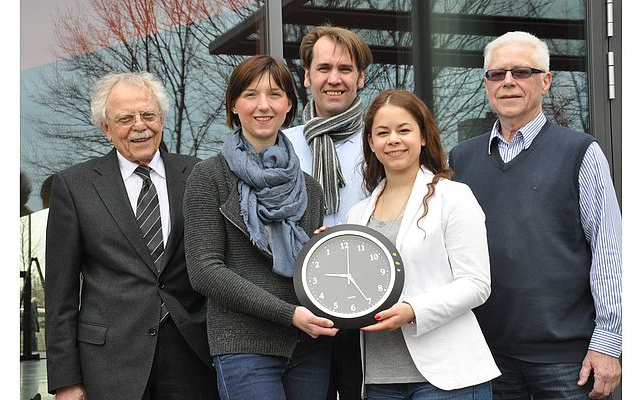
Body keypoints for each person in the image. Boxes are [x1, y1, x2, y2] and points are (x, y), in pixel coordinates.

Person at [448, 31, 622, 400]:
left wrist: (608, 342)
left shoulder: (580, 152)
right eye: (497, 74)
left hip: (565, 359)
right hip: (484, 353)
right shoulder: (460, 159)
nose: (508, 81)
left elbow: (609, 250)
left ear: (545, 82)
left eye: (521, 72)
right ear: (486, 85)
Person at [45, 71, 218, 400]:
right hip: (109, 363)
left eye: (148, 114)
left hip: (192, 355)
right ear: (106, 128)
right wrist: (66, 379)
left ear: (161, 119)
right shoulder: (74, 186)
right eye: (125, 118)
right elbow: (60, 294)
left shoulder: (198, 174)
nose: (140, 125)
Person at [184, 55, 338, 400]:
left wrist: (327, 253)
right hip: (244, 346)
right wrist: (288, 314)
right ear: (234, 106)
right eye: (251, 95)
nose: (263, 106)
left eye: (275, 94)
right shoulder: (210, 177)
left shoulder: (309, 188)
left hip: (308, 347)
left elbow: (308, 275)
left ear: (289, 105)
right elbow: (205, 272)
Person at [341, 89, 499, 400]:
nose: (393, 140)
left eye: (404, 130)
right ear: (371, 143)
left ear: (423, 137)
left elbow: (477, 284)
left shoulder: (454, 196)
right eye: (382, 132)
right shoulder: (357, 214)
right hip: (378, 379)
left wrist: (414, 310)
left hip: (444, 377)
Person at [283, 25, 373, 400]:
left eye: (345, 69)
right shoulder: (282, 145)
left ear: (361, 78)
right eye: (323, 68)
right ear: (306, 77)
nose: (334, 79)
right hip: (297, 310)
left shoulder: (381, 141)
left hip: (369, 305)